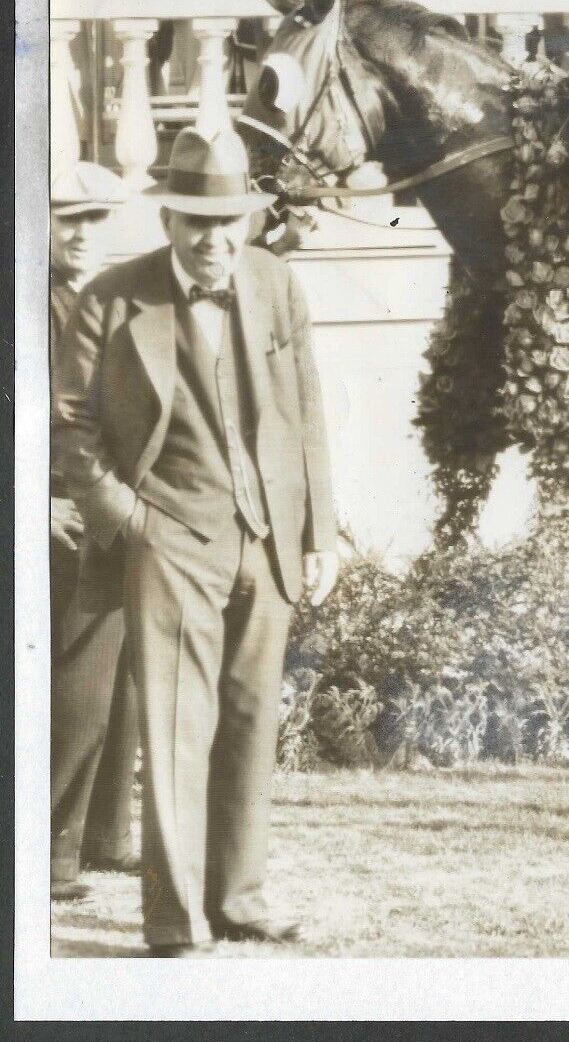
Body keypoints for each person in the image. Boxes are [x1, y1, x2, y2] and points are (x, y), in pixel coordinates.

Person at [52, 123, 340, 957]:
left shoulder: (276, 284)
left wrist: (318, 528)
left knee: (251, 722)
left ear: (249, 218)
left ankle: (239, 895)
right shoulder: (113, 296)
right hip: (167, 536)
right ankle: (176, 921)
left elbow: (305, 409)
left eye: (229, 222)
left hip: (266, 536)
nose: (214, 241)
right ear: (169, 221)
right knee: (177, 725)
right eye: (196, 224)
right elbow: (71, 424)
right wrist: (128, 519)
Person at [48, 161, 141, 903]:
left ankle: (109, 835)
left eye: (96, 219)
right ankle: (49, 848)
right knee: (85, 668)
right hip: (54, 509)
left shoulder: (94, 298)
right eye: (68, 217)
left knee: (128, 666)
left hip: (104, 503)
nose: (82, 233)